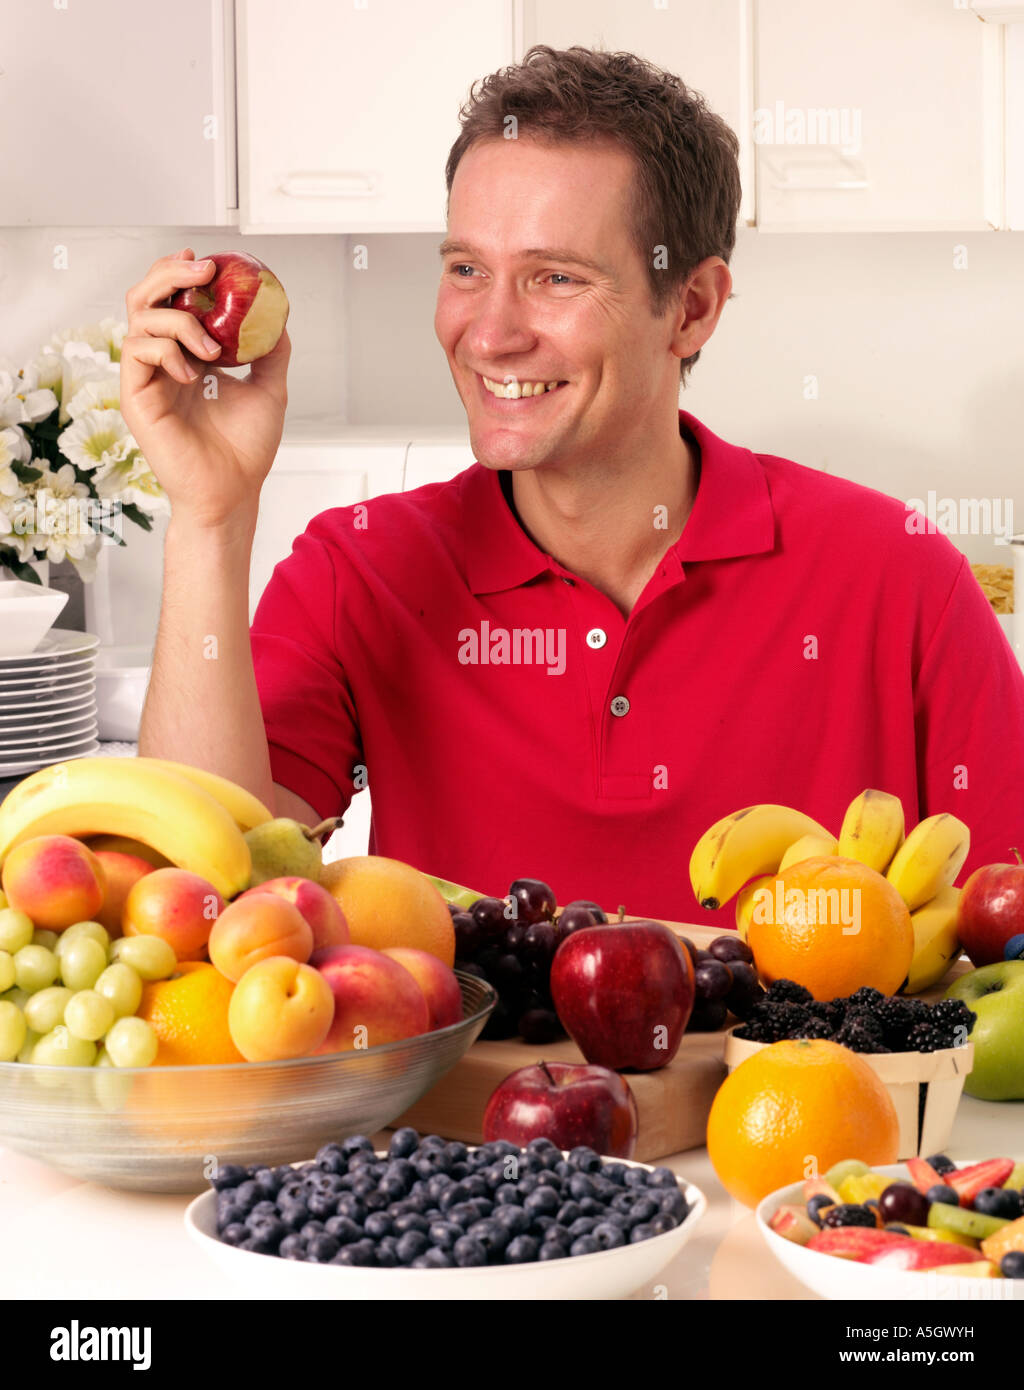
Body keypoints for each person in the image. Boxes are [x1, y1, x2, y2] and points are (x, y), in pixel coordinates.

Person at [122, 46, 1024, 926]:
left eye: (556, 278)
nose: (490, 333)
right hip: (466, 1085)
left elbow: (1003, 933)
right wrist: (211, 515)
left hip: (794, 1083)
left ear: (694, 306)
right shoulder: (357, 569)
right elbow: (203, 901)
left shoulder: (897, 574)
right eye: (467, 269)